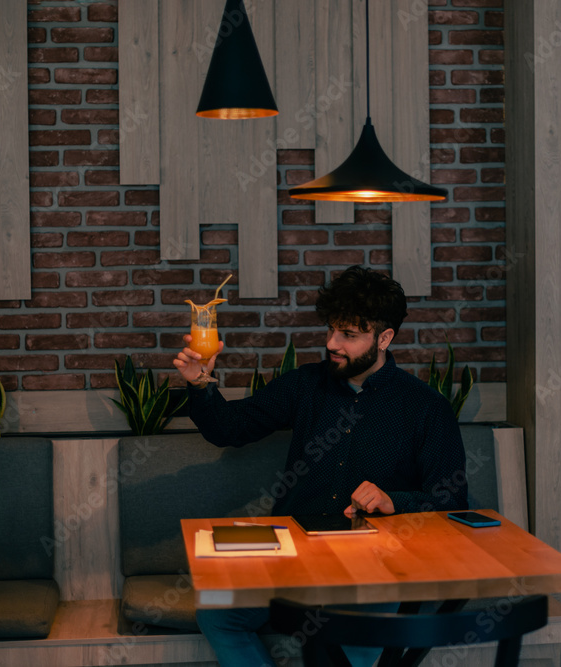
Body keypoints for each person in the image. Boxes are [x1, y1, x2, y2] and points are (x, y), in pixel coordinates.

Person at [173, 265, 468, 667]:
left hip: (375, 570)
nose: (332, 343)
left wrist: (392, 500)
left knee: (354, 646)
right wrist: (199, 383)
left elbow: (451, 500)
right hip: (295, 561)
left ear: (384, 338)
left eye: (348, 335)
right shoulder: (305, 385)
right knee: (218, 615)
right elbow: (230, 429)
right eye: (331, 330)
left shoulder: (426, 408)